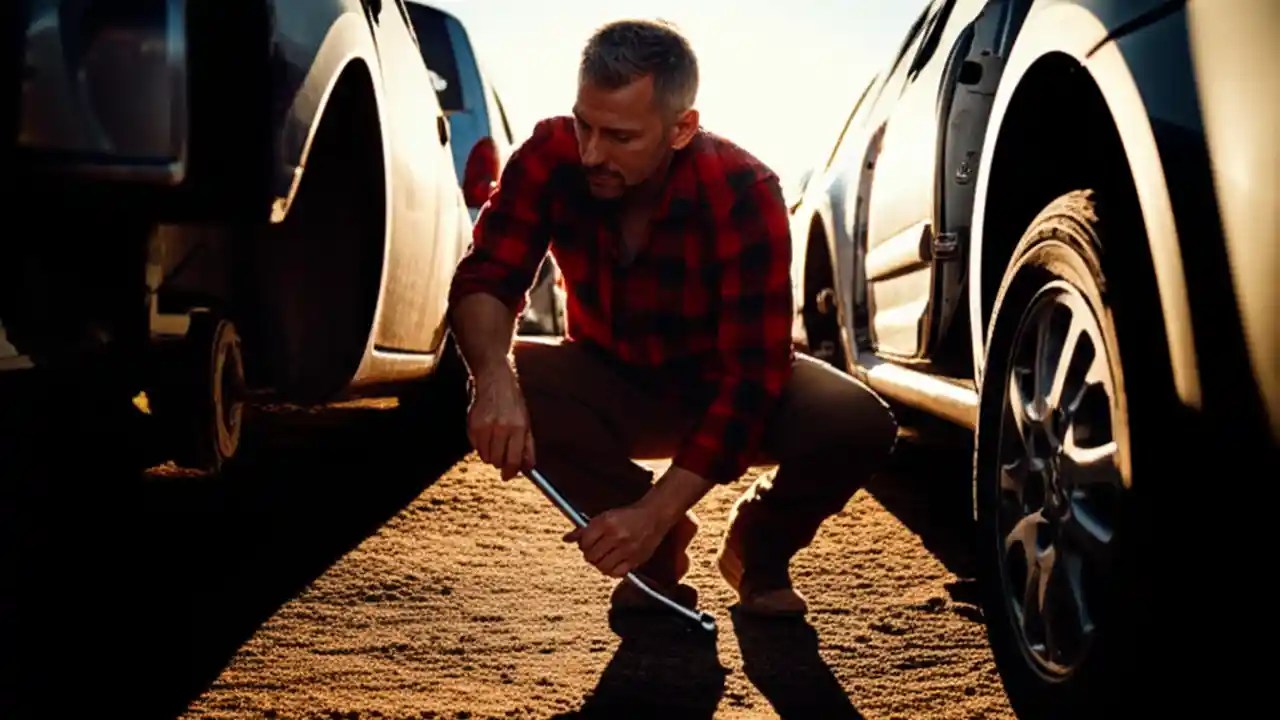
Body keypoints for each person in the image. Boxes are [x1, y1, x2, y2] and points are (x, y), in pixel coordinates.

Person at [445, 18, 898, 617]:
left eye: (621, 136)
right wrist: (493, 380)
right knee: (497, 372)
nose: (592, 153)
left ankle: (757, 551)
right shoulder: (551, 156)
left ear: (682, 128)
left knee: (857, 422)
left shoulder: (744, 189)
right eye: (585, 124)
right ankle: (655, 559)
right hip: (612, 380)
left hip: (722, 388)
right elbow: (487, 277)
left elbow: (752, 379)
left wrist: (658, 508)